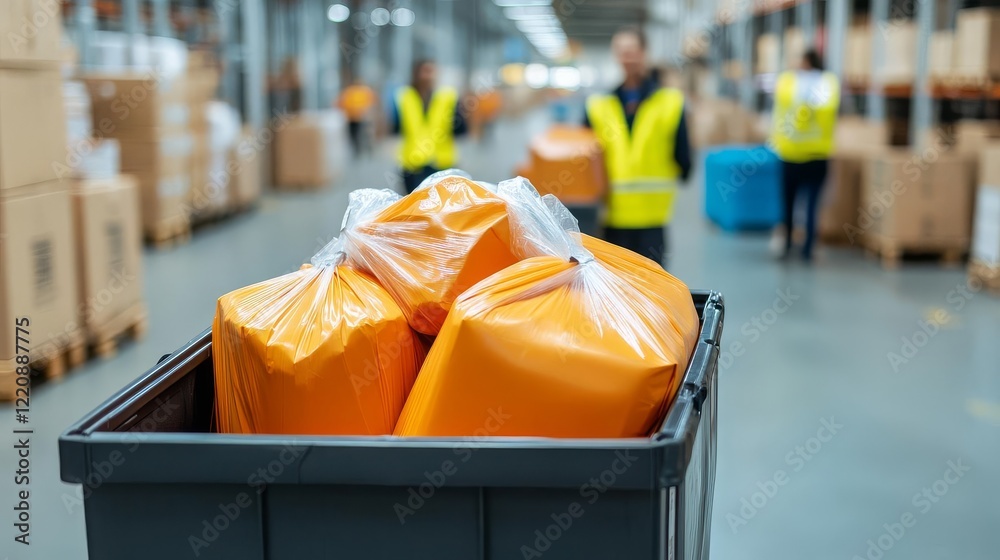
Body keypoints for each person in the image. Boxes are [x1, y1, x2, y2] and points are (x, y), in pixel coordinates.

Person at [583, 27, 692, 268]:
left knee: (650, 288)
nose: (627, 57)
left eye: (632, 51)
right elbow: (585, 154)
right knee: (617, 289)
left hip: (652, 217)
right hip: (612, 216)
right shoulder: (599, 105)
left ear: (644, 53)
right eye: (622, 51)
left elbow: (683, 153)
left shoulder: (669, 102)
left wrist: (684, 169)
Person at [771, 49, 840, 262]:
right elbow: (831, 110)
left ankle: (787, 245)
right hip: (818, 155)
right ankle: (808, 249)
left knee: (788, 204)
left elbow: (781, 104)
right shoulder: (828, 84)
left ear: (805, 62)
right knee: (812, 206)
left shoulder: (788, 82)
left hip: (790, 154)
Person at [390, 60, 468, 193]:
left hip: (441, 163)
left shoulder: (448, 97)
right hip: (412, 163)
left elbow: (461, 129)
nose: (428, 76)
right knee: (414, 208)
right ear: (416, 73)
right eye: (425, 71)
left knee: (441, 209)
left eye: (431, 72)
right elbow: (395, 126)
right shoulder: (405, 96)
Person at [339, 79, 377, 157]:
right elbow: (342, 103)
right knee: (355, 135)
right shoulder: (351, 92)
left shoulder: (357, 91)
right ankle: (359, 149)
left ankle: (363, 149)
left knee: (360, 134)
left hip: (359, 117)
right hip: (353, 117)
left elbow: (371, 103)